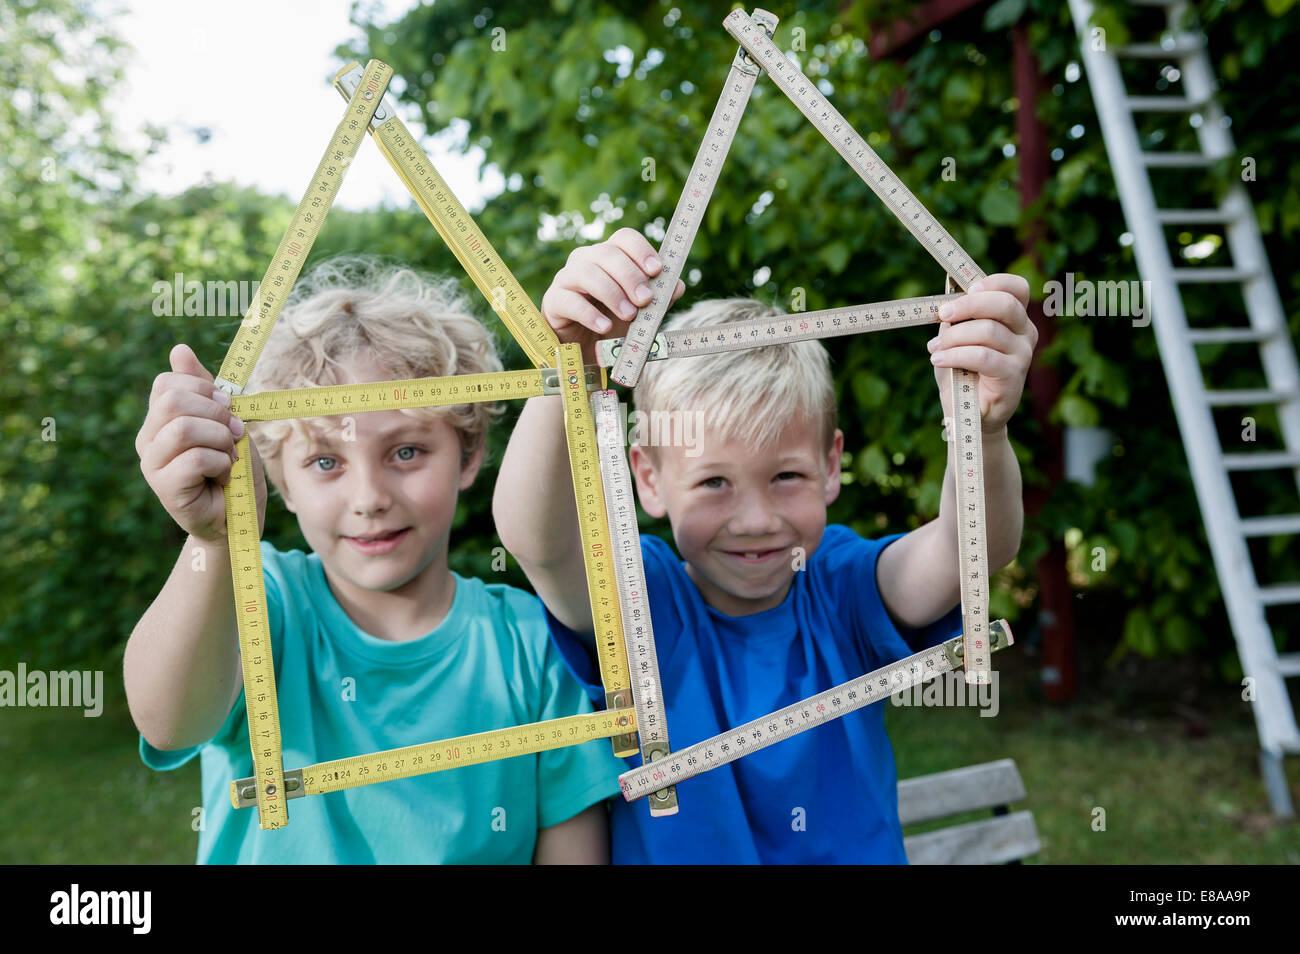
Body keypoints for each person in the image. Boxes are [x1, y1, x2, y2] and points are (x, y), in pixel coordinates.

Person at [493, 228, 1034, 862]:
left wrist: (983, 431)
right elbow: (539, 539)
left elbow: (971, 549)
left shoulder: (841, 588)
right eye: (714, 482)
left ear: (831, 466)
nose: (754, 520)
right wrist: (568, 358)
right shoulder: (646, 602)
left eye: (786, 477)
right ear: (646, 477)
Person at [126, 256, 625, 864]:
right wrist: (214, 542)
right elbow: (167, 722)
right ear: (278, 478)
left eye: (407, 451)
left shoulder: (528, 643)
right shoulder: (262, 601)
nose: (369, 499)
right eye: (326, 462)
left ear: (468, 454)